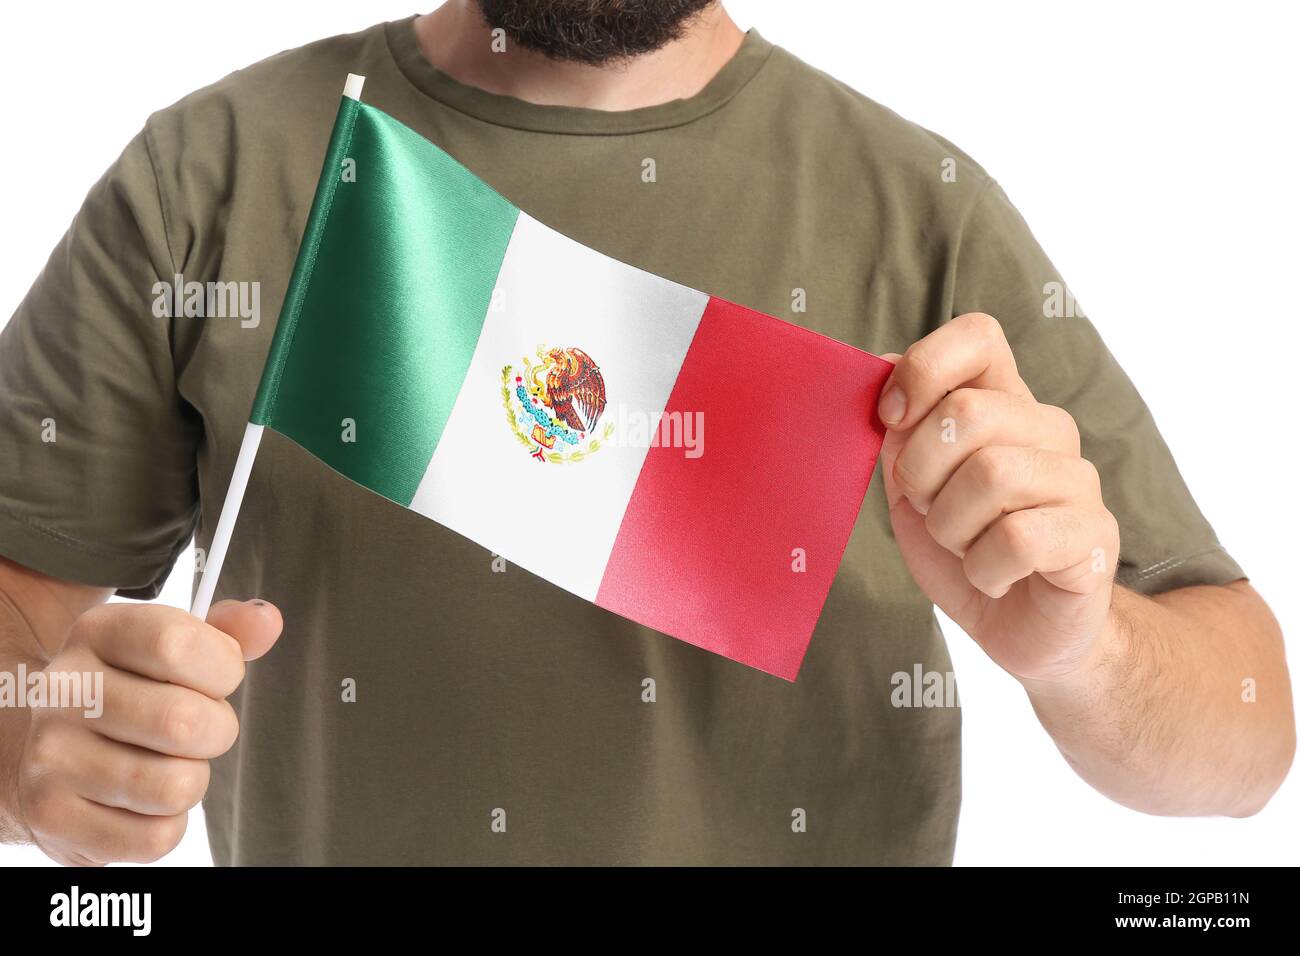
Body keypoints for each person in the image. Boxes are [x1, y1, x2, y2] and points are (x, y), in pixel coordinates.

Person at [0, 1, 1292, 866]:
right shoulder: (216, 175)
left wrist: (1083, 647)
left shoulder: (915, 210)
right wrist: (34, 732)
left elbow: (1249, 735)